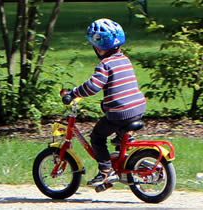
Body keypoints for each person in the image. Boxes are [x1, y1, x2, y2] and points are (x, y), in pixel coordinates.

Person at [60, 18, 146, 187]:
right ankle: (122, 139)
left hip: (120, 113)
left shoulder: (105, 65)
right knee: (107, 108)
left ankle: (106, 171)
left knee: (97, 137)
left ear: (98, 46)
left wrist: (73, 93)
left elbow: (93, 86)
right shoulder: (125, 60)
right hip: (138, 107)